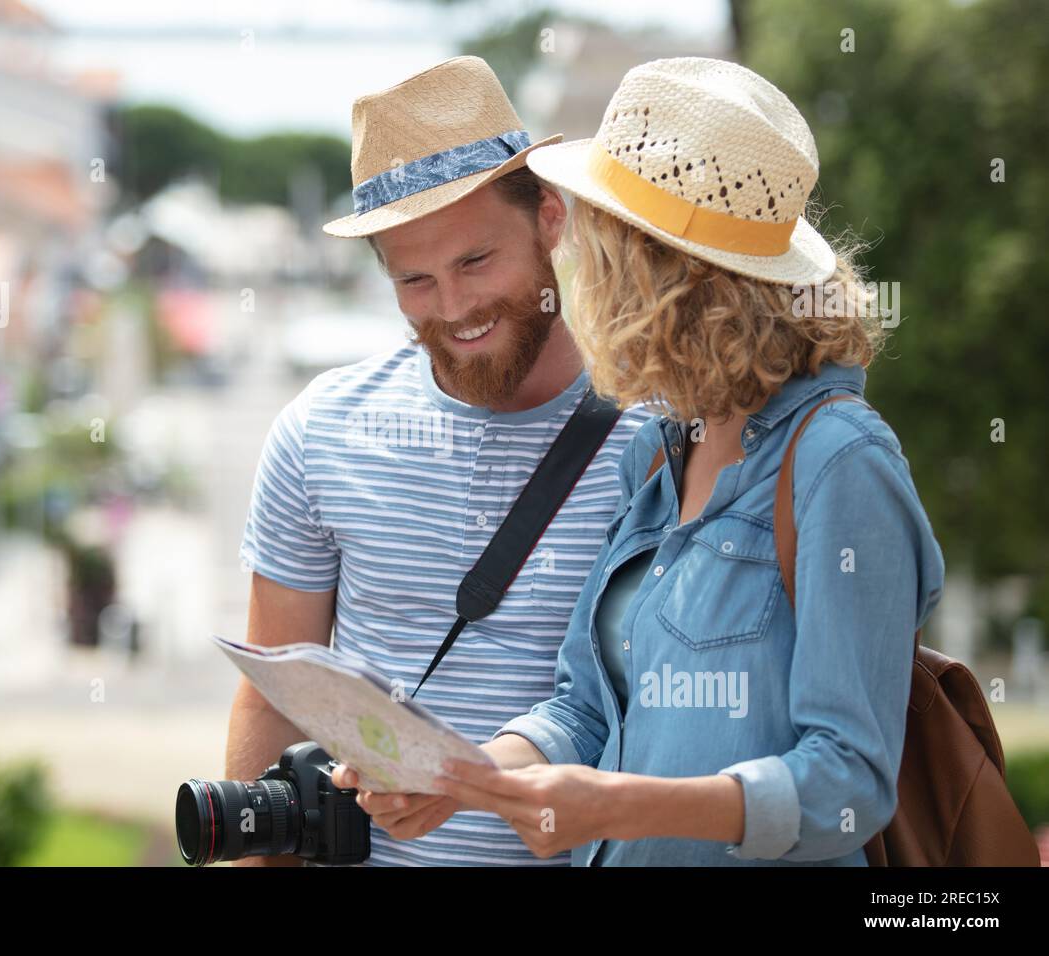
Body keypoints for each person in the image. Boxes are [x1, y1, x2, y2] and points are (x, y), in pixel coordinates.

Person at [356, 57, 946, 865]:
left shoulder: (842, 464)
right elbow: (587, 712)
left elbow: (849, 784)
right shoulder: (658, 450)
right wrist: (461, 777)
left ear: (654, 275)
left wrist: (617, 805)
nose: (574, 266)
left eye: (594, 238)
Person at [229, 56, 653, 866]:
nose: (454, 308)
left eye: (475, 262)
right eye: (414, 279)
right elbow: (272, 698)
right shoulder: (319, 433)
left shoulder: (663, 437)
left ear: (550, 220)